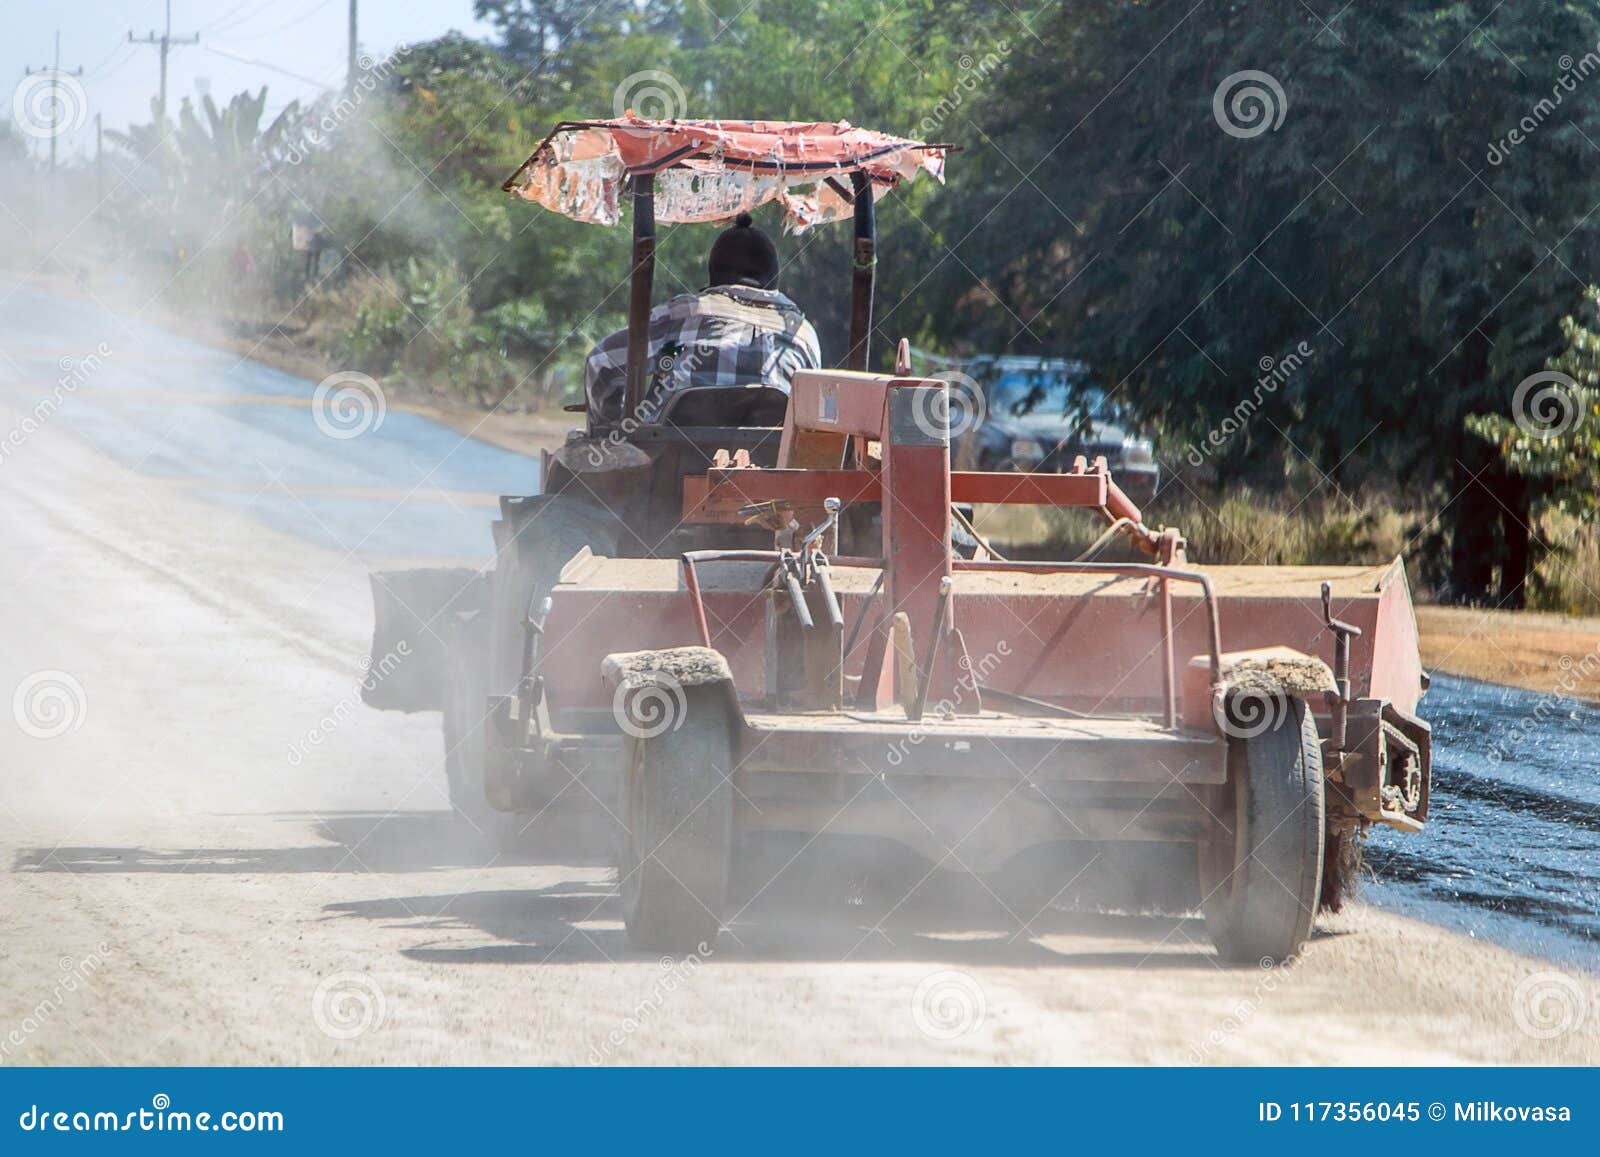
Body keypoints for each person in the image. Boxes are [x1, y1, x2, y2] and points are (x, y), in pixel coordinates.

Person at [583, 212, 822, 424]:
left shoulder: (683, 315)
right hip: (770, 469)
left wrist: (614, 424)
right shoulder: (803, 334)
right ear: (774, 279)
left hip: (670, 466)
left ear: (714, 276)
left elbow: (601, 362)